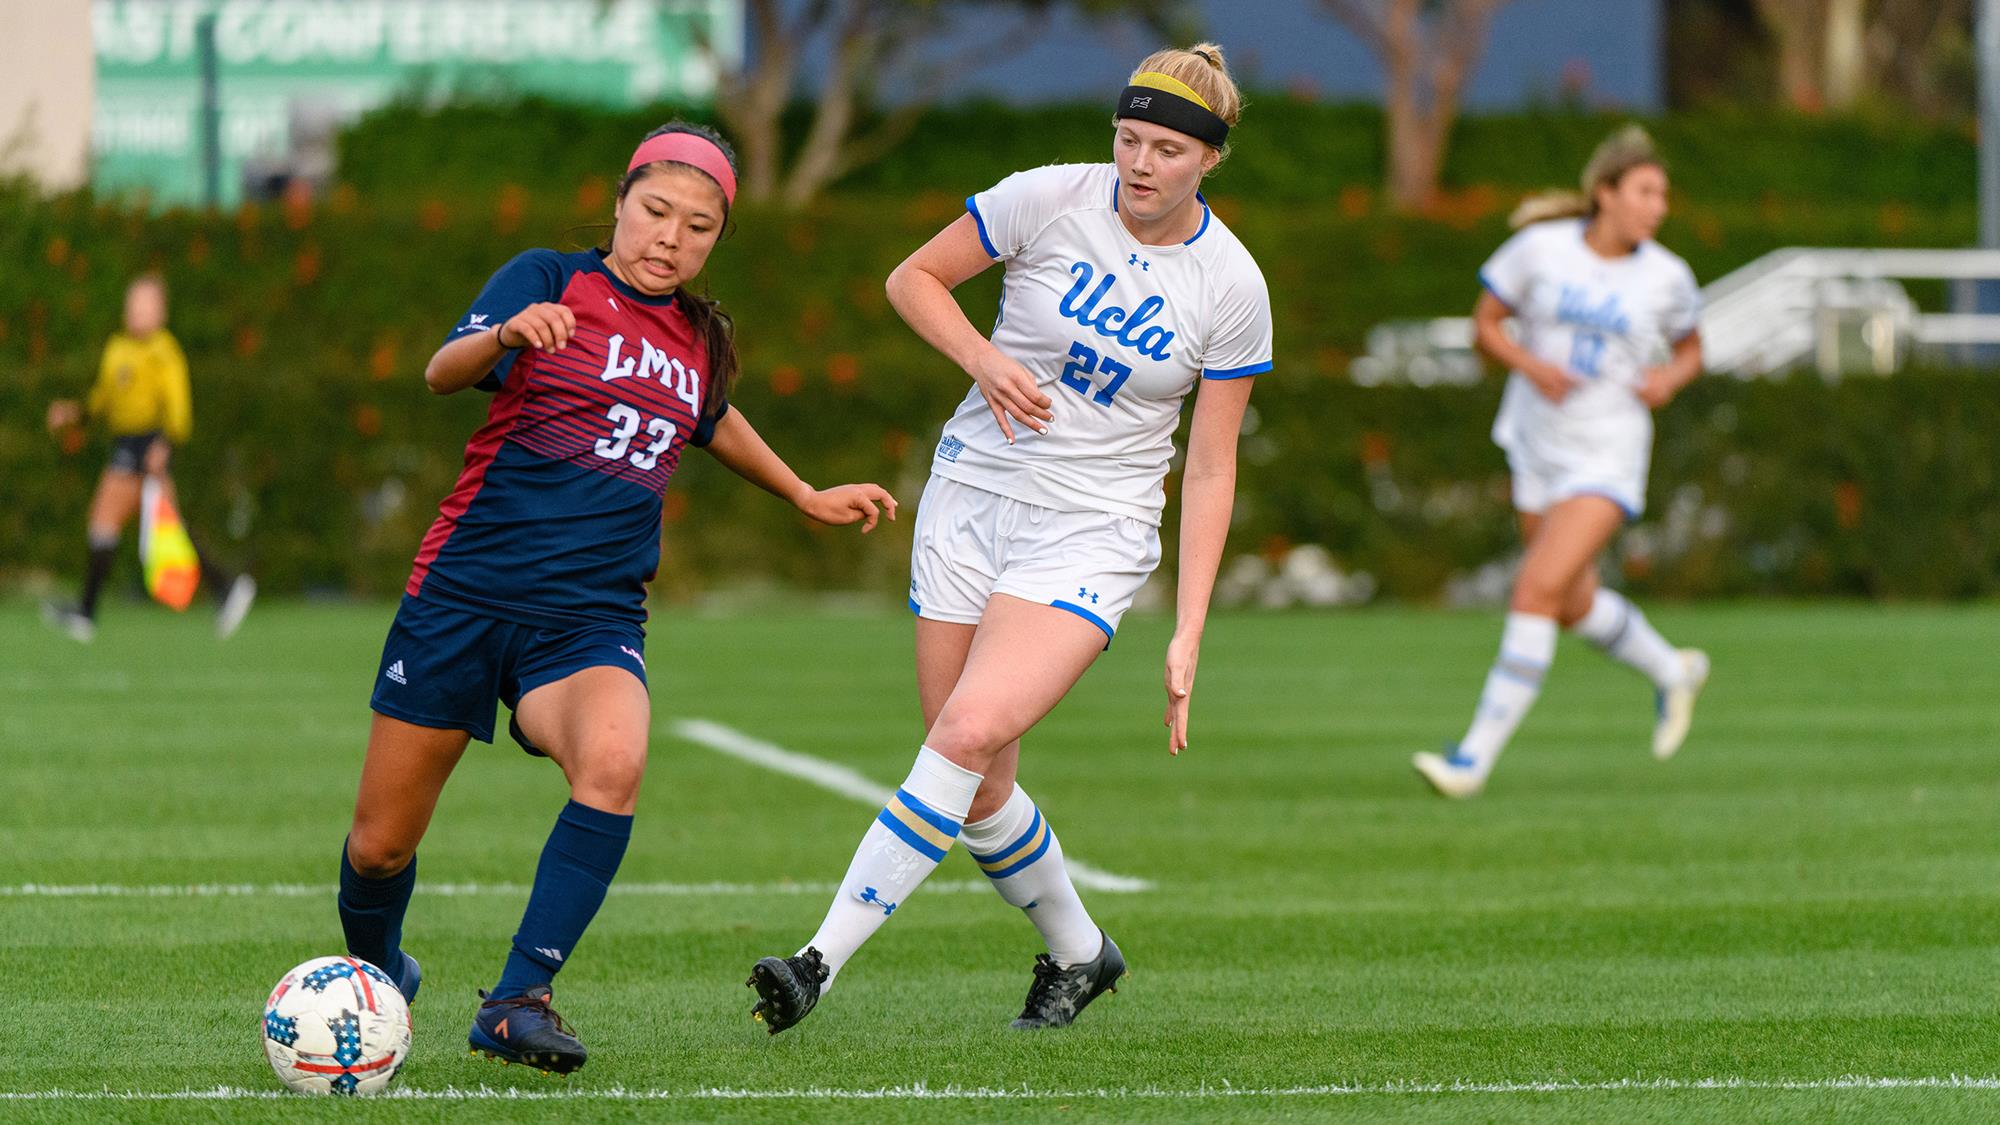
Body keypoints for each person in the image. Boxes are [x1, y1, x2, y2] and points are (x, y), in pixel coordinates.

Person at [334, 122, 896, 1075]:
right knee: (380, 847)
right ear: (621, 203)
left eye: (699, 225)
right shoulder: (550, 278)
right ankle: (379, 972)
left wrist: (803, 491)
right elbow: (441, 371)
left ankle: (516, 998)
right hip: (465, 594)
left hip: (591, 618)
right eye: (656, 211)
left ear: (719, 237)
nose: (671, 236)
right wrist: (505, 334)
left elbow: (711, 419)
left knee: (615, 760)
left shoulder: (697, 340)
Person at [746, 44, 1271, 1034]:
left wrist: (1188, 630)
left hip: (1094, 528)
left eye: (1166, 148)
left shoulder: (1231, 284)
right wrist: (983, 361)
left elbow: (1209, 466)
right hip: (971, 493)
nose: (1141, 164)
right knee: (979, 781)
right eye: (1128, 139)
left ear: (1210, 158)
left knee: (962, 733)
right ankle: (1080, 952)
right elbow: (913, 280)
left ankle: (817, 961)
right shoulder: (1047, 197)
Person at [1413, 126, 1709, 800]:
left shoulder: (1667, 275)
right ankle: (1672, 669)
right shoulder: (1539, 250)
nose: (1658, 206)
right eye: (1645, 191)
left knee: (1535, 590)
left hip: (1609, 450)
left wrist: (1670, 379)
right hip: (1536, 442)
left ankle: (1471, 760)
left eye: (1662, 194)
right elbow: (1484, 324)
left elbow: (1693, 348)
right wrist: (1531, 365)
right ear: (1605, 193)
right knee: (1571, 599)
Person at [42, 274, 256, 642]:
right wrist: (73, 413)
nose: (138, 311)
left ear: (161, 312)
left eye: (146, 304)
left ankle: (225, 587)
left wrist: (164, 446)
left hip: (150, 447)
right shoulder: (117, 348)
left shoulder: (165, 352)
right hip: (124, 444)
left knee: (161, 528)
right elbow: (103, 401)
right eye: (133, 303)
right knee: (109, 521)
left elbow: (178, 412)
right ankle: (88, 610)